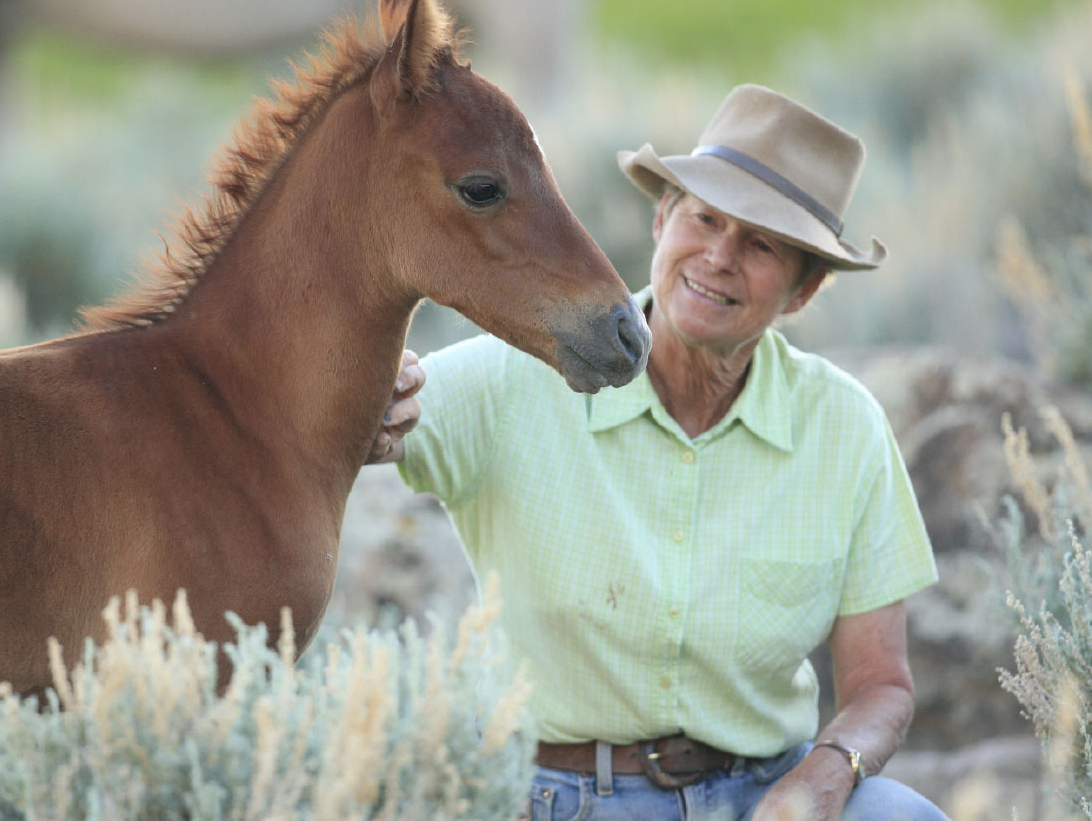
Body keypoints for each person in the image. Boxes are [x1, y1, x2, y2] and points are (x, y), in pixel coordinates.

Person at [369, 85, 948, 821]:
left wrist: (825, 779)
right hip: (560, 800)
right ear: (660, 218)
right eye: (703, 219)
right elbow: (355, 418)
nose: (719, 257)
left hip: (768, 795)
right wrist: (373, 399)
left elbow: (881, 687)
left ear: (803, 292)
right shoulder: (517, 375)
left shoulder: (845, 427)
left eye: (761, 244)